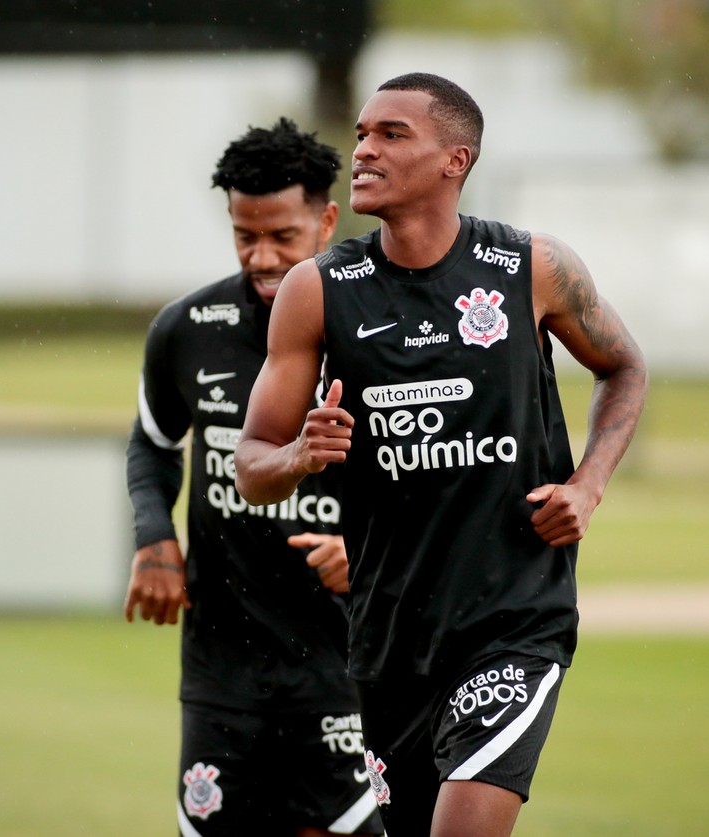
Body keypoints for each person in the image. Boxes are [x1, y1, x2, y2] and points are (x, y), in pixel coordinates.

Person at [235, 74, 649, 836]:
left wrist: (588, 484)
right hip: (389, 637)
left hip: (513, 619)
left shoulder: (533, 268)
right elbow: (251, 466)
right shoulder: (317, 289)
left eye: (392, 134)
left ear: (456, 159)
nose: (363, 150)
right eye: (361, 133)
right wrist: (300, 454)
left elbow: (624, 367)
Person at [123, 117, 382, 837]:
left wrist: (371, 554)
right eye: (245, 234)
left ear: (327, 220)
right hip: (221, 666)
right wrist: (153, 540)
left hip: (344, 664)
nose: (261, 256)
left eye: (282, 236)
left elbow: (434, 477)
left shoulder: (380, 332)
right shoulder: (187, 327)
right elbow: (151, 446)